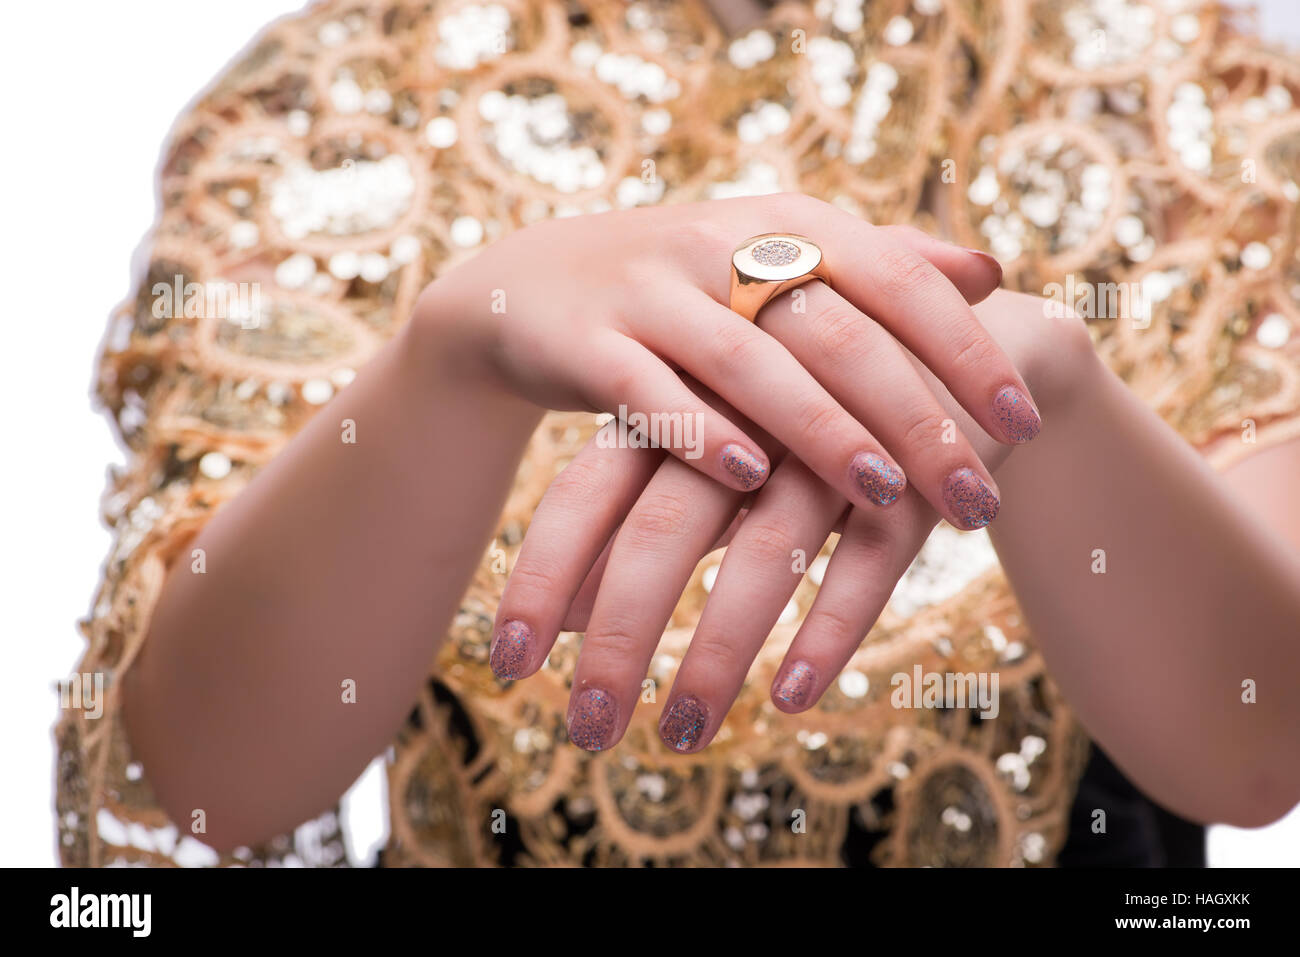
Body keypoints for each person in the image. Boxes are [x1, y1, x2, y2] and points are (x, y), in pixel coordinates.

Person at [57, 0, 1300, 867]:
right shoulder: (338, 106)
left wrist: (1044, 395)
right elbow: (214, 783)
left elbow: (1256, 752)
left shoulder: (1178, 104)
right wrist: (450, 364)